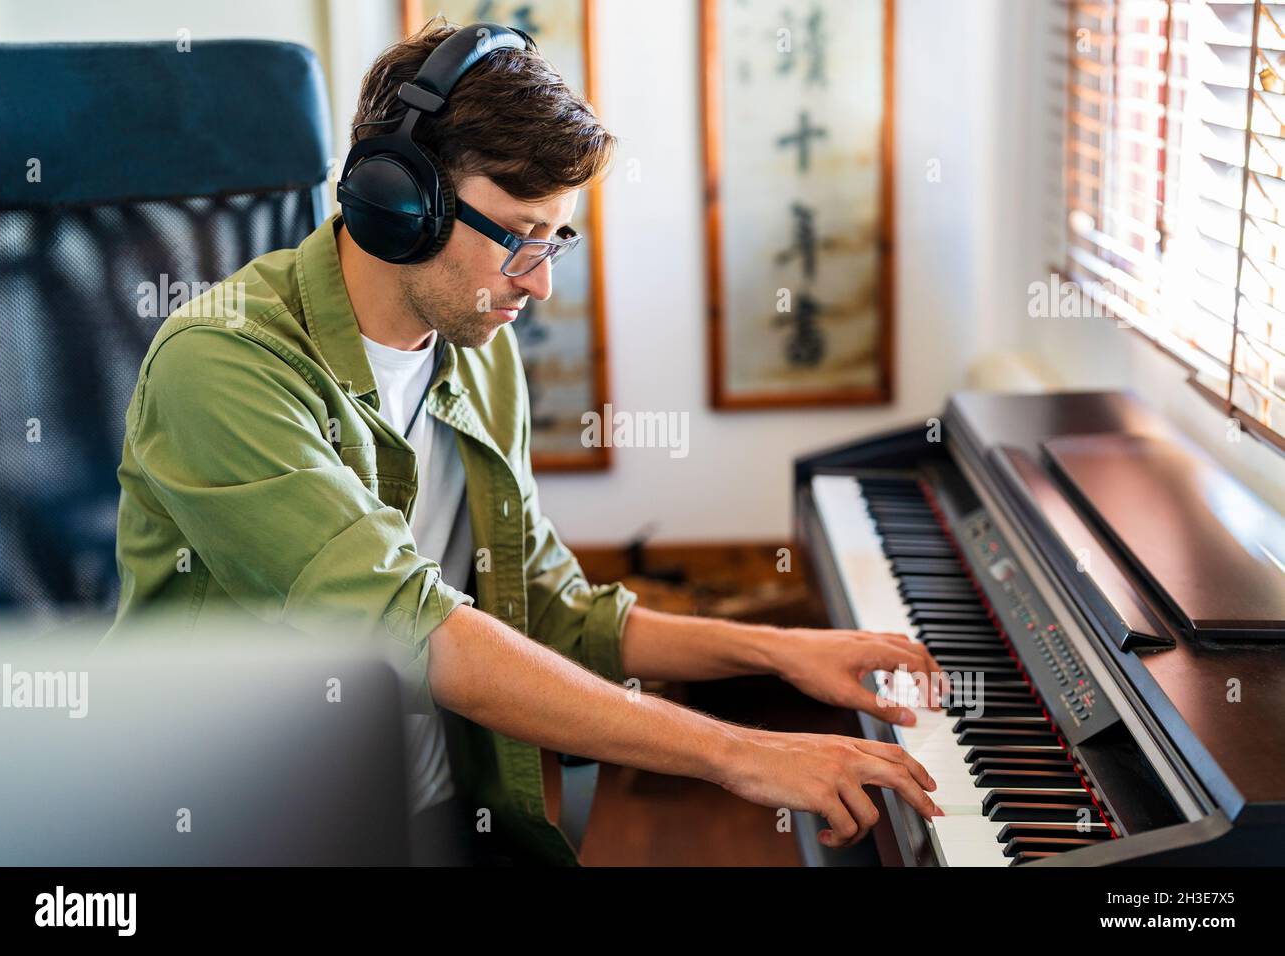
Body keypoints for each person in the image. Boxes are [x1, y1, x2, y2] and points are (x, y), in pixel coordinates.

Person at [106, 18, 943, 865]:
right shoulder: (222, 364)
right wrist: (739, 754)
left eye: (557, 238)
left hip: (428, 809)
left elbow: (549, 606)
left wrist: (779, 653)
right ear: (398, 205)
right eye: (518, 237)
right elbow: (414, 627)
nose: (540, 281)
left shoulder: (479, 351)